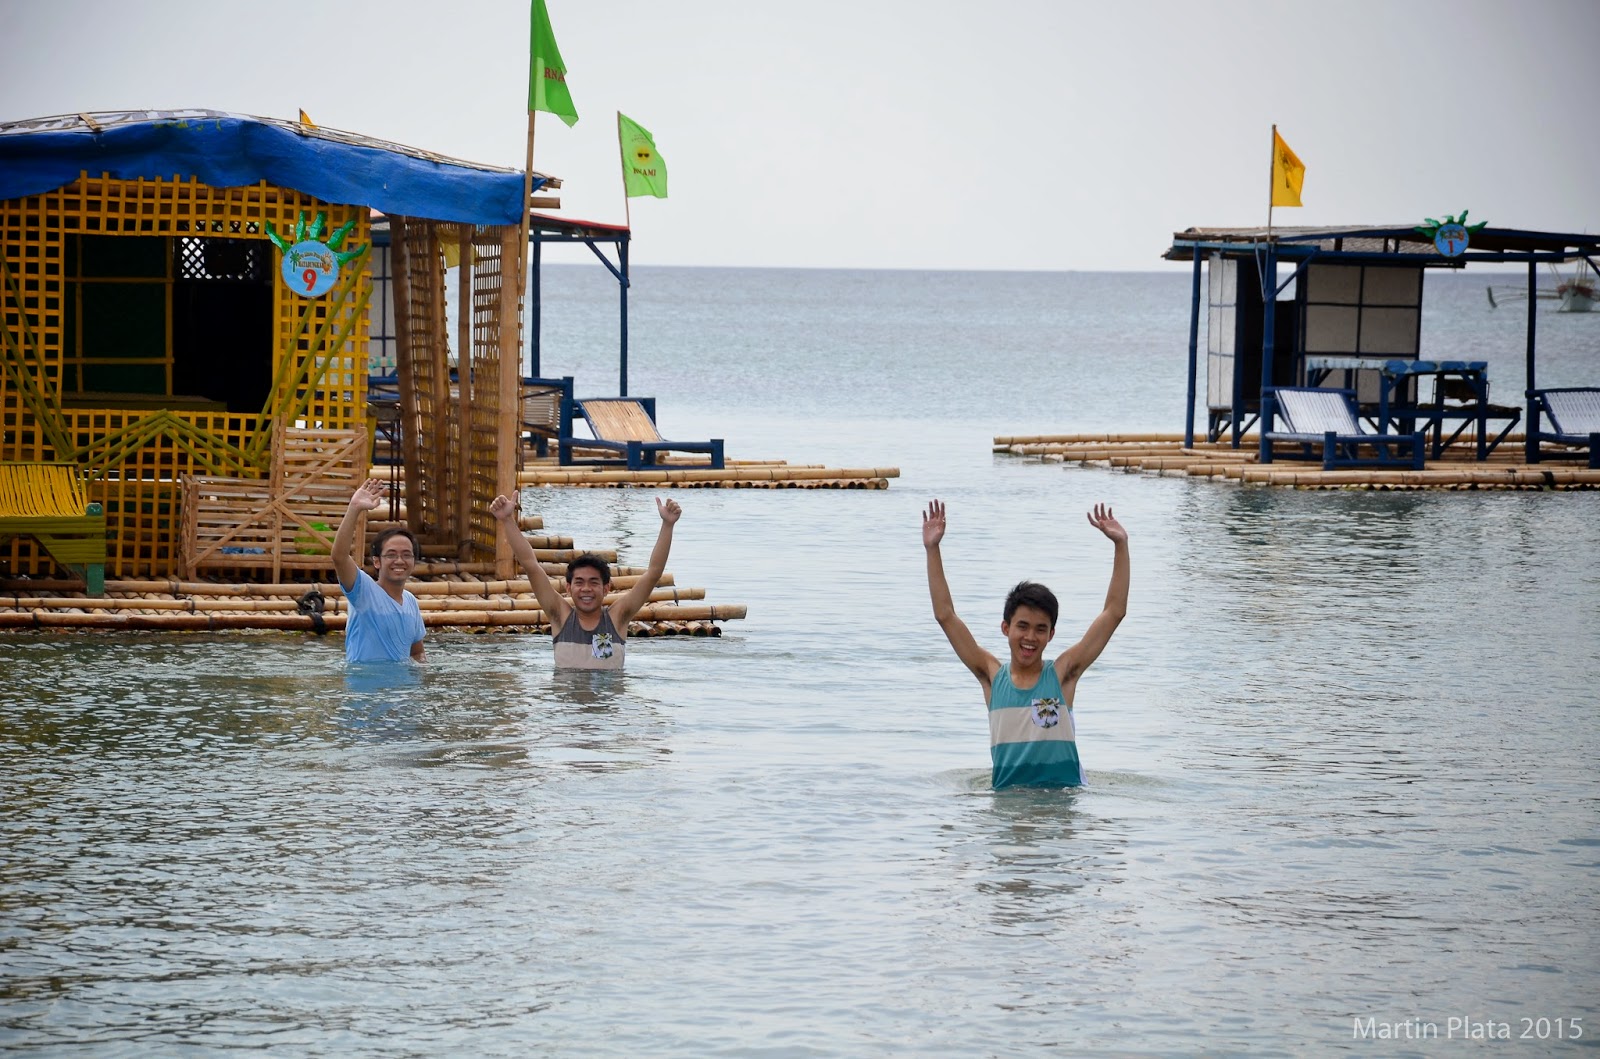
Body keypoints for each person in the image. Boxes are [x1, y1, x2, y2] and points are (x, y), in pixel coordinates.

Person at [922, 498, 1129, 789]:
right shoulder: (992, 677)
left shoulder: (1063, 674)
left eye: (1040, 629)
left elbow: (1114, 613)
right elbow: (945, 615)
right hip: (1008, 809)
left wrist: (1121, 546)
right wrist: (933, 549)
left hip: (1060, 807)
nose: (1030, 637)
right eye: (1022, 627)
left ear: (1051, 635)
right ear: (1006, 628)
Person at [491, 491, 683, 670]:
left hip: (608, 704)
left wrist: (668, 525)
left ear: (606, 588)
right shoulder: (560, 616)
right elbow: (530, 565)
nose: (586, 589)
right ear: (568, 587)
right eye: (579, 582)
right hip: (566, 706)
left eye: (593, 582)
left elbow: (653, 573)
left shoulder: (618, 618)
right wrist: (507, 520)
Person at [332, 478, 426, 663]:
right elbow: (339, 557)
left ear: (414, 561)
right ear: (377, 562)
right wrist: (355, 508)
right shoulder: (364, 592)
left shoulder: (410, 602)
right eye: (391, 554)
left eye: (406, 555)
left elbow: (417, 653)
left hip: (400, 689)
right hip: (364, 688)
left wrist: (423, 679)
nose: (399, 560)